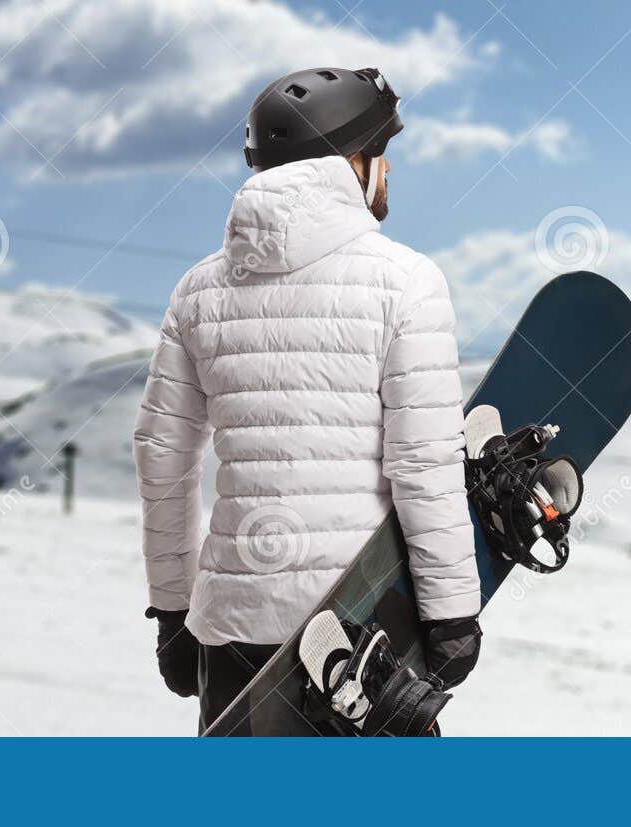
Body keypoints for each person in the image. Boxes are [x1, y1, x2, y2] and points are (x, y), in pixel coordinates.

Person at [132, 67, 482, 732]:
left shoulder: (197, 290)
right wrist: (451, 611)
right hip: (362, 636)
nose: (388, 170)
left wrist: (173, 611)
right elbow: (423, 462)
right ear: (352, 163)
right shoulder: (408, 282)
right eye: (380, 153)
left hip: (231, 628)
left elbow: (162, 457)